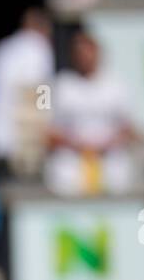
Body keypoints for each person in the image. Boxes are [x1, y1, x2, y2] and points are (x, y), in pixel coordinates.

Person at [44, 29, 138, 196]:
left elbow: (130, 129)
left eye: (88, 51)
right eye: (79, 52)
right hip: (71, 162)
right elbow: (47, 131)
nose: (84, 57)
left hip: (109, 161)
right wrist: (78, 145)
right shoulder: (58, 84)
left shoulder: (116, 84)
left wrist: (106, 144)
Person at [0, 8, 54, 174]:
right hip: (15, 147)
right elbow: (39, 92)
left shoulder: (3, 48)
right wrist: (47, 130)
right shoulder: (37, 47)